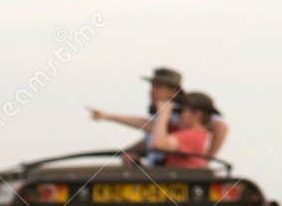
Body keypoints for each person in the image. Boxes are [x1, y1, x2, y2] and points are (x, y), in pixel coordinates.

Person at [88, 66, 230, 157]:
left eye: (158, 86)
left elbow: (220, 126)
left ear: (173, 91)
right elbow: (151, 130)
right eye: (153, 86)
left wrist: (207, 160)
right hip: (159, 169)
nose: (152, 91)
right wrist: (129, 152)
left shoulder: (182, 111)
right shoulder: (164, 113)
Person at [145, 91, 220, 169]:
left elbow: (158, 144)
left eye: (181, 111)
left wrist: (163, 114)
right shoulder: (186, 133)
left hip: (183, 179)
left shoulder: (194, 136)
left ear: (197, 114)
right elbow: (149, 125)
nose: (179, 116)